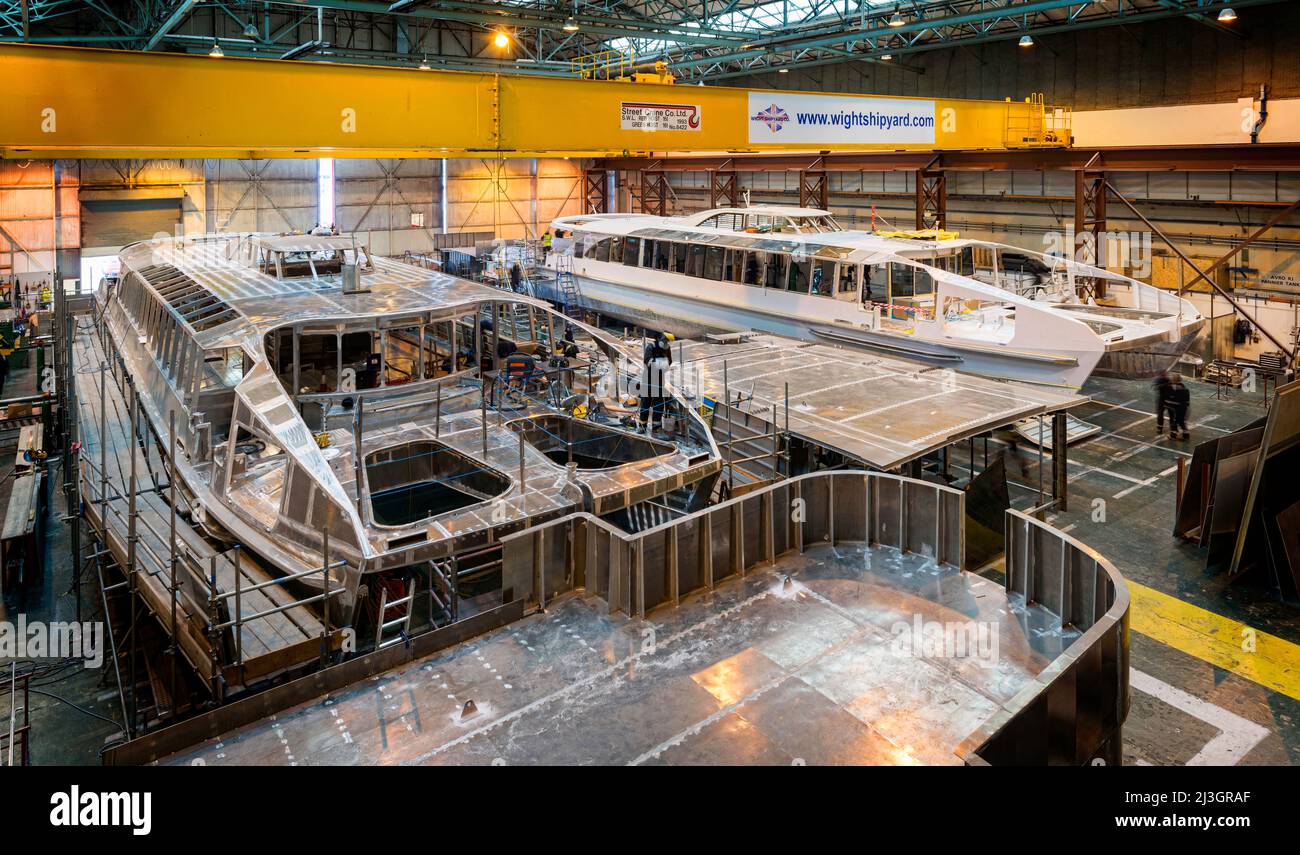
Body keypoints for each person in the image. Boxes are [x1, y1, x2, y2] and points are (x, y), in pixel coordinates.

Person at [1166, 374, 1190, 440]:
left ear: (1174, 380)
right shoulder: (1184, 387)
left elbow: (1174, 399)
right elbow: (1187, 400)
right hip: (1184, 407)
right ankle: (1186, 434)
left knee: (1175, 422)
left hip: (1178, 408)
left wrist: (1168, 404)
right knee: (1181, 421)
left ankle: (1173, 435)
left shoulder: (1175, 388)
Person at [1153, 370, 1172, 437]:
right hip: (1163, 399)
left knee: (1171, 415)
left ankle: (1172, 429)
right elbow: (1157, 387)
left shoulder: (1168, 380)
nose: (1166, 375)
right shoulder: (1161, 380)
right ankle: (1159, 428)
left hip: (1167, 399)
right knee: (1160, 414)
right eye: (1165, 374)